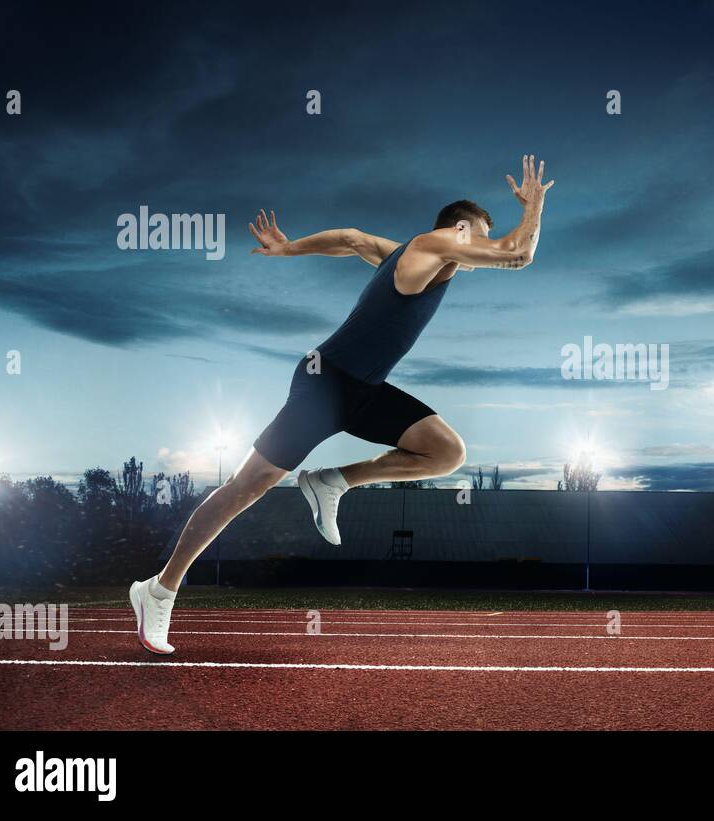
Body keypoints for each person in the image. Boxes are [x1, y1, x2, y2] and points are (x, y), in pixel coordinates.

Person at [128, 155, 554, 654]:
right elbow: (518, 255)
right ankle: (158, 589)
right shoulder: (433, 243)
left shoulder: (413, 258)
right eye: (476, 236)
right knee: (247, 486)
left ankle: (333, 481)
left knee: (445, 452)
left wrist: (290, 249)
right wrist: (536, 205)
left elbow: (351, 238)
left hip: (365, 390)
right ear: (459, 229)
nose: (478, 249)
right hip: (324, 384)